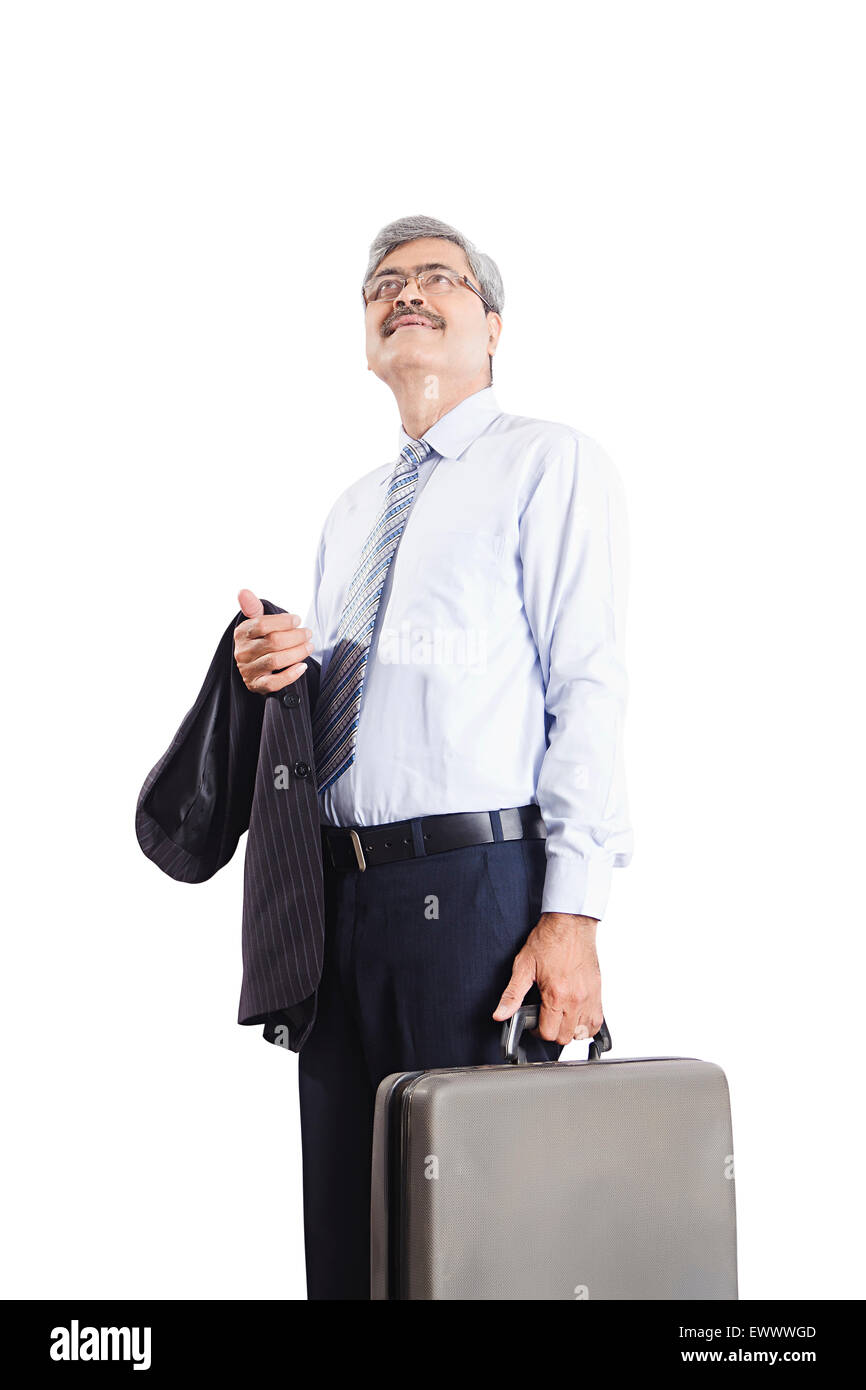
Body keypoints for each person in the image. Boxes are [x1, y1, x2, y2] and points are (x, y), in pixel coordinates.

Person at [231, 214, 633, 1299]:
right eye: (385, 283)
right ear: (367, 336)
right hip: (341, 903)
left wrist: (572, 914)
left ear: (490, 327)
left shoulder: (545, 462)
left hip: (476, 897)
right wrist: (284, 670)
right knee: (355, 1243)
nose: (406, 292)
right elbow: (378, 703)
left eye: (438, 279)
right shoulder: (353, 509)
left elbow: (586, 685)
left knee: (478, 1246)